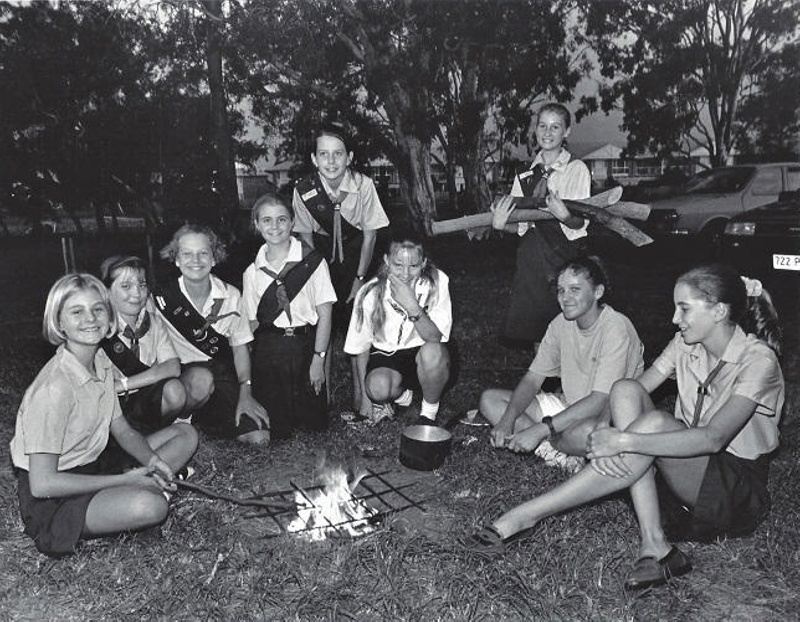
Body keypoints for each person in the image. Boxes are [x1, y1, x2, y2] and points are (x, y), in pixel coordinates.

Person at [465, 264, 784, 592]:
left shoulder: (758, 359)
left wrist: (621, 439)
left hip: (734, 494)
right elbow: (629, 389)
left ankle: (525, 515)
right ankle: (656, 545)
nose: (675, 318)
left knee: (656, 423)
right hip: (681, 484)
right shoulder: (684, 344)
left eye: (684, 309)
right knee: (625, 388)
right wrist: (606, 428)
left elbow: (713, 438)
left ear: (718, 311)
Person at [9, 273, 197, 557]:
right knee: (151, 506)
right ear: (59, 322)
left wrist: (152, 460)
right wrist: (126, 480)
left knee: (185, 434)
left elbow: (121, 428)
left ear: (110, 317)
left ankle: (138, 490)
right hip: (56, 496)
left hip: (95, 463)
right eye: (77, 311)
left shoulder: (99, 360)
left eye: (98, 309)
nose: (90, 318)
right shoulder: (53, 389)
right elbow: (43, 483)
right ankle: (131, 498)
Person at [476, 255, 644, 472]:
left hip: (606, 415)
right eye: (561, 290)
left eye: (575, 289)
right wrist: (507, 420)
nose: (565, 298)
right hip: (569, 405)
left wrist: (541, 429)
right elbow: (533, 378)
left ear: (598, 292)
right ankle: (559, 455)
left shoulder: (616, 327)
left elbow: (600, 400)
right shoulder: (560, 323)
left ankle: (548, 445)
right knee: (490, 399)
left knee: (587, 433)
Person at [292, 124, 390, 411]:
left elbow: (371, 234)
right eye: (324, 154)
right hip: (321, 257)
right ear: (314, 158)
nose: (331, 161)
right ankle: (321, 398)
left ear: (349, 157)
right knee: (324, 321)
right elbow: (306, 238)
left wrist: (360, 278)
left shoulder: (363, 185)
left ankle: (364, 398)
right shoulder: (304, 190)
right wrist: (314, 280)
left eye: (338, 154)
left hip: (359, 253)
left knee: (358, 324)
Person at [154, 224, 270, 445]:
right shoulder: (161, 297)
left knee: (258, 437)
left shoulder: (231, 295)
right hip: (179, 373)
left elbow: (239, 347)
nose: (195, 260)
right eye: (187, 254)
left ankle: (204, 418)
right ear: (176, 259)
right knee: (200, 381)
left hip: (219, 371)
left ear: (214, 257)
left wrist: (245, 393)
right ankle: (181, 420)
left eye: (203, 253)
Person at [491, 102, 592, 348]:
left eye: (555, 127)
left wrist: (564, 215)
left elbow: (580, 222)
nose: (547, 133)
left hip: (563, 256)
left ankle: (569, 384)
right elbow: (522, 226)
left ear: (566, 132)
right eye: (542, 126)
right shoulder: (525, 175)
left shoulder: (575, 169)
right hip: (531, 259)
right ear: (535, 130)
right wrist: (501, 225)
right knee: (538, 332)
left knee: (565, 327)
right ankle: (543, 384)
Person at [242, 193, 336, 440]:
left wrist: (319, 359)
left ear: (293, 222)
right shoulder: (251, 272)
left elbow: (326, 314)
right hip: (270, 350)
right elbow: (252, 322)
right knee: (278, 430)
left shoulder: (313, 262)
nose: (275, 227)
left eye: (282, 219)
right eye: (267, 220)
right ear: (257, 224)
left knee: (314, 426)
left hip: (305, 346)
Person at [99, 255, 212, 446]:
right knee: (172, 390)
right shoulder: (99, 328)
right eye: (126, 286)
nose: (137, 293)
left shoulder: (153, 322)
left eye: (142, 285)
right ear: (107, 291)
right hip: (112, 408)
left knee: (201, 380)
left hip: (140, 396)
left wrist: (124, 385)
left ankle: (171, 426)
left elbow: (172, 367)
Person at [344, 230, 452, 425]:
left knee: (432, 353)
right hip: (388, 353)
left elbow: (436, 338)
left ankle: (428, 414)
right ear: (386, 260)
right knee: (377, 388)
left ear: (424, 263)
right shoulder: (369, 292)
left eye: (413, 266)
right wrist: (365, 399)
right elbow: (359, 347)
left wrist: (412, 305)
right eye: (398, 265)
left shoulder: (437, 281)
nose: (405, 273)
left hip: (425, 349)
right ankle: (403, 396)